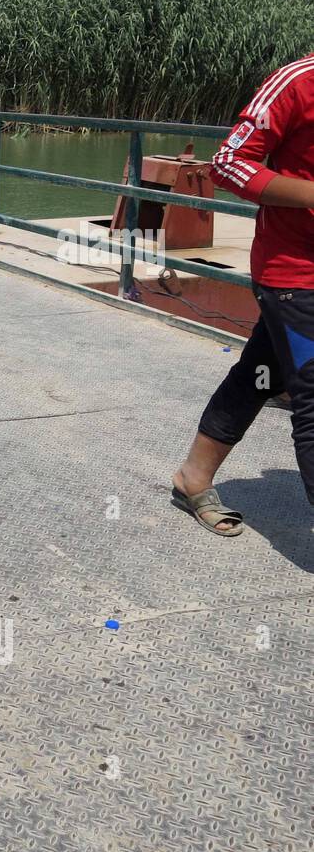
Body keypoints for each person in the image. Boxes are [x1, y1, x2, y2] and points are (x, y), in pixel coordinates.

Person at [172, 52, 314, 534]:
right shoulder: (299, 82)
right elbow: (229, 164)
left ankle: (193, 477)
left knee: (262, 370)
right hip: (296, 274)